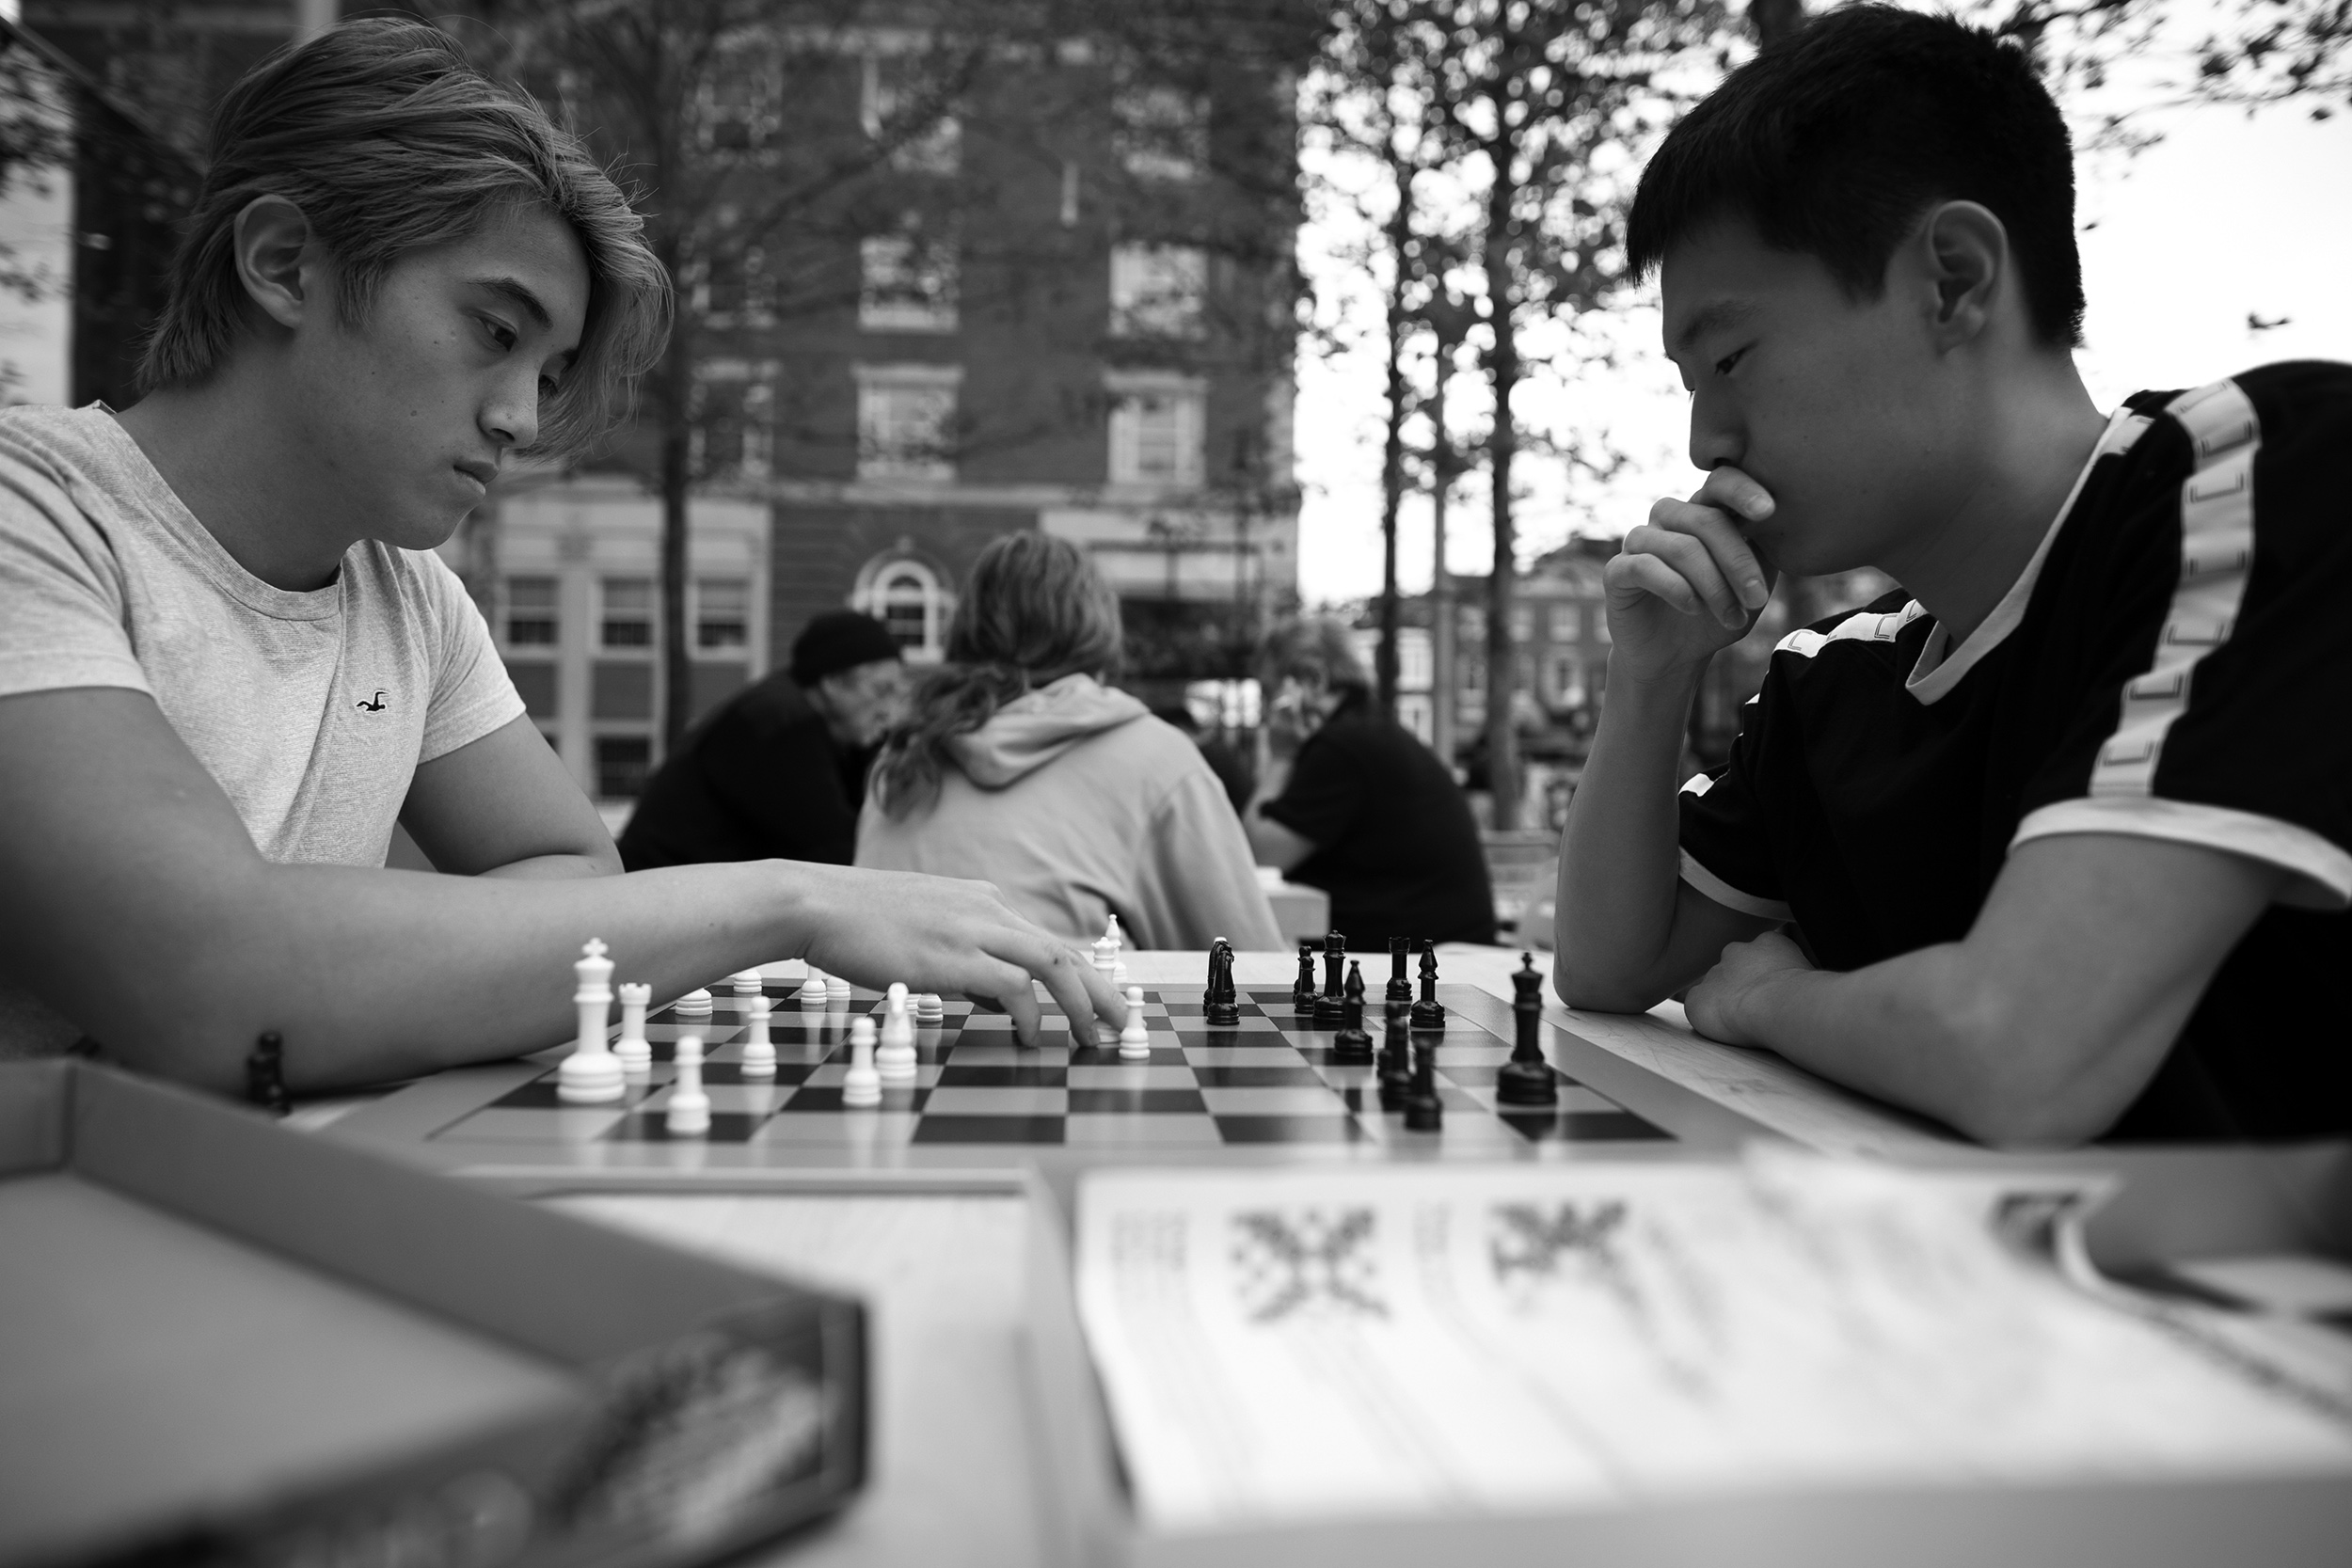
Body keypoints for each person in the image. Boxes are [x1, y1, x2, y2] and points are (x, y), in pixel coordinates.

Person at [0, 20, 1119, 1097]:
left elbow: (575, 873)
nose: (522, 420)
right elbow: (210, 984)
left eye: (546, 372)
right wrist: (794, 901)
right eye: (496, 330)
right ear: (286, 263)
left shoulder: (412, 600)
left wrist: (319, 958)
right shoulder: (32, 517)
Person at [1555, 6, 2349, 1147]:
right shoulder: (1836, 676)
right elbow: (1608, 965)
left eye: (1730, 358)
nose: (1703, 441)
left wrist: (1769, 1000)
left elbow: (2019, 1052)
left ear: (1953, 280)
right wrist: (1650, 677)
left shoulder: (2259, 477)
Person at [856, 533, 1279, 951]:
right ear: (1098, 630)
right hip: (1060, 998)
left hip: (882, 999)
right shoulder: (1155, 759)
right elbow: (1249, 963)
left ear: (965, 628)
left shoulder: (904, 756)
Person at [1243, 618, 1495, 949]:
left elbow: (1259, 858)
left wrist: (1281, 756)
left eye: (1268, 692)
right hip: (1439, 951)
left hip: (1417, 966)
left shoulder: (1342, 747)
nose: (1265, 713)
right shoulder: (1367, 732)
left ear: (1312, 678)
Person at [619, 610, 907, 870]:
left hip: (680, 888)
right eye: (881, 690)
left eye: (897, 694)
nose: (889, 712)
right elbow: (835, 853)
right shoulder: (780, 723)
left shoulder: (806, 720)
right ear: (833, 683)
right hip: (661, 893)